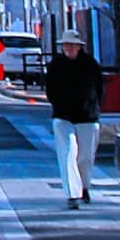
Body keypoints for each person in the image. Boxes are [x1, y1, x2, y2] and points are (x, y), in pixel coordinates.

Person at [45, 30, 103, 210]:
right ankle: (72, 194)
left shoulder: (90, 64)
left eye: (71, 45)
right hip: (63, 116)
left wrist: (93, 106)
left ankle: (84, 186)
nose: (68, 48)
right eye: (65, 45)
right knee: (68, 153)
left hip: (87, 117)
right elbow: (50, 89)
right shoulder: (56, 64)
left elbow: (99, 88)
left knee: (85, 157)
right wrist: (57, 104)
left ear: (79, 47)